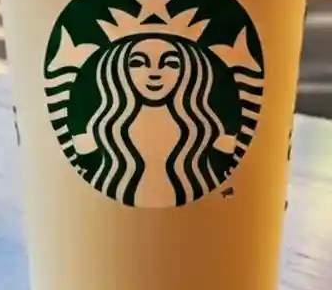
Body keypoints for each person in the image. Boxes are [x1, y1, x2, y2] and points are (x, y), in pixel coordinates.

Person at [71, 34, 237, 208]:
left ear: (187, 71)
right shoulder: (99, 130)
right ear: (121, 70)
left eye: (170, 63)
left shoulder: (209, 131)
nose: (155, 73)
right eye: (138, 63)